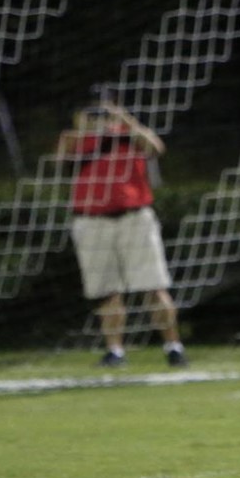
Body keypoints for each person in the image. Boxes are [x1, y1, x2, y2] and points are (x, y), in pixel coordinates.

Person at [55, 91, 186, 368]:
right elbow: (61, 162)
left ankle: (174, 347)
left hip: (134, 218)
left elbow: (155, 147)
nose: (98, 118)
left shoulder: (128, 134)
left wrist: (123, 119)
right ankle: (115, 351)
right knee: (107, 290)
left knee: (154, 285)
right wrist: (83, 128)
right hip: (92, 220)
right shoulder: (75, 139)